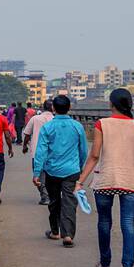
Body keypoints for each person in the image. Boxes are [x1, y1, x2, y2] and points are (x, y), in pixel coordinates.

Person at [74, 89, 134, 267]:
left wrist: (80, 180)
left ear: (111, 104)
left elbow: (95, 156)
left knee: (104, 222)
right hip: (131, 181)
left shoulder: (102, 124)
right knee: (128, 225)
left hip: (105, 179)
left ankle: (105, 264)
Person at [32, 95, 87, 245]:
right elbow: (83, 151)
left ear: (53, 109)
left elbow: (41, 151)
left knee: (54, 201)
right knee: (69, 201)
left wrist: (37, 173)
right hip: (71, 170)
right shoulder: (77, 126)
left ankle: (55, 231)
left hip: (52, 171)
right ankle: (68, 234)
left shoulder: (47, 127)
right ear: (69, 108)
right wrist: (80, 167)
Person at [22, 100, 55, 204]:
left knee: (38, 175)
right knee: (51, 175)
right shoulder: (55, 120)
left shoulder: (35, 119)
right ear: (53, 108)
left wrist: (24, 146)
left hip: (37, 151)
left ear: (43, 107)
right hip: (53, 152)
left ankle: (45, 196)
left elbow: (27, 134)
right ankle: (51, 195)